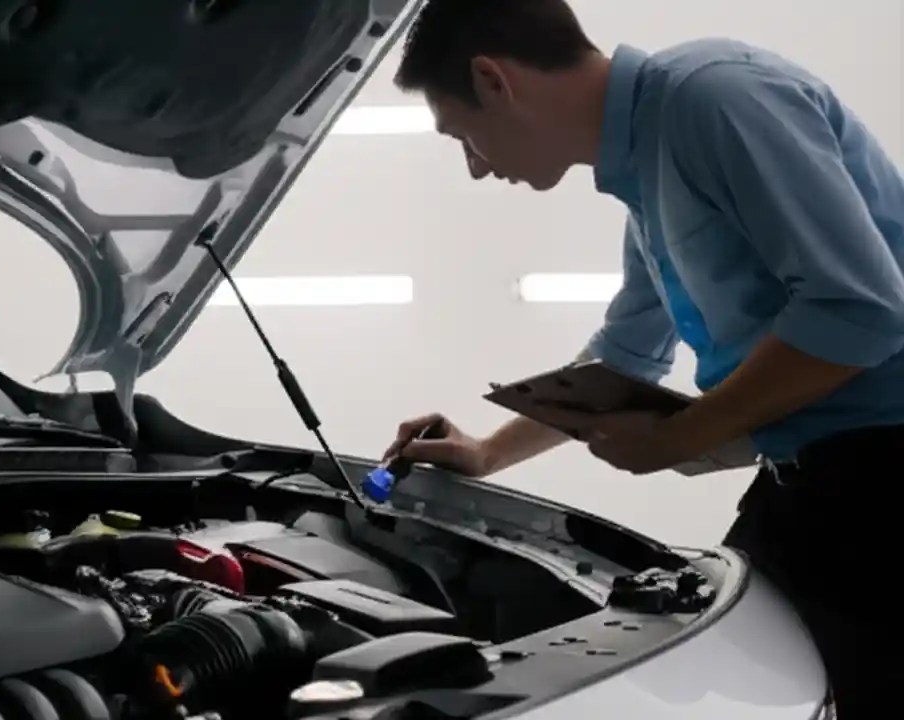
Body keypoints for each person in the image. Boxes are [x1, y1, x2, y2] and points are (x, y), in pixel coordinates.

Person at [381, 0, 904, 715]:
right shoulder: (647, 165)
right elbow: (627, 353)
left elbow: (862, 310)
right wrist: (486, 454)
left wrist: (683, 436)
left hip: (883, 479)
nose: (474, 167)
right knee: (726, 666)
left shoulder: (715, 96)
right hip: (817, 481)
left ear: (493, 81)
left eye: (461, 135)